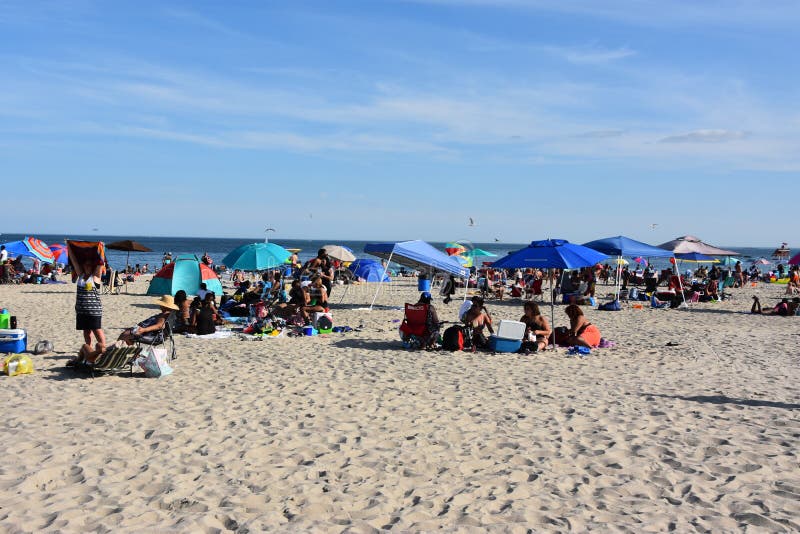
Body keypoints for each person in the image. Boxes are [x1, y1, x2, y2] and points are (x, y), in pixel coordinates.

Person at [74, 258, 106, 353]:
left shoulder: (95, 277)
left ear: (93, 266)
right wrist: (69, 248)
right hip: (81, 310)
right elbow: (75, 261)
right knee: (86, 331)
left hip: (94, 310)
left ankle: (103, 350)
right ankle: (89, 349)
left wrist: (101, 252)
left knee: (97, 330)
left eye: (89, 265)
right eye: (85, 264)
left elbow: (100, 264)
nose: (87, 266)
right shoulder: (81, 275)